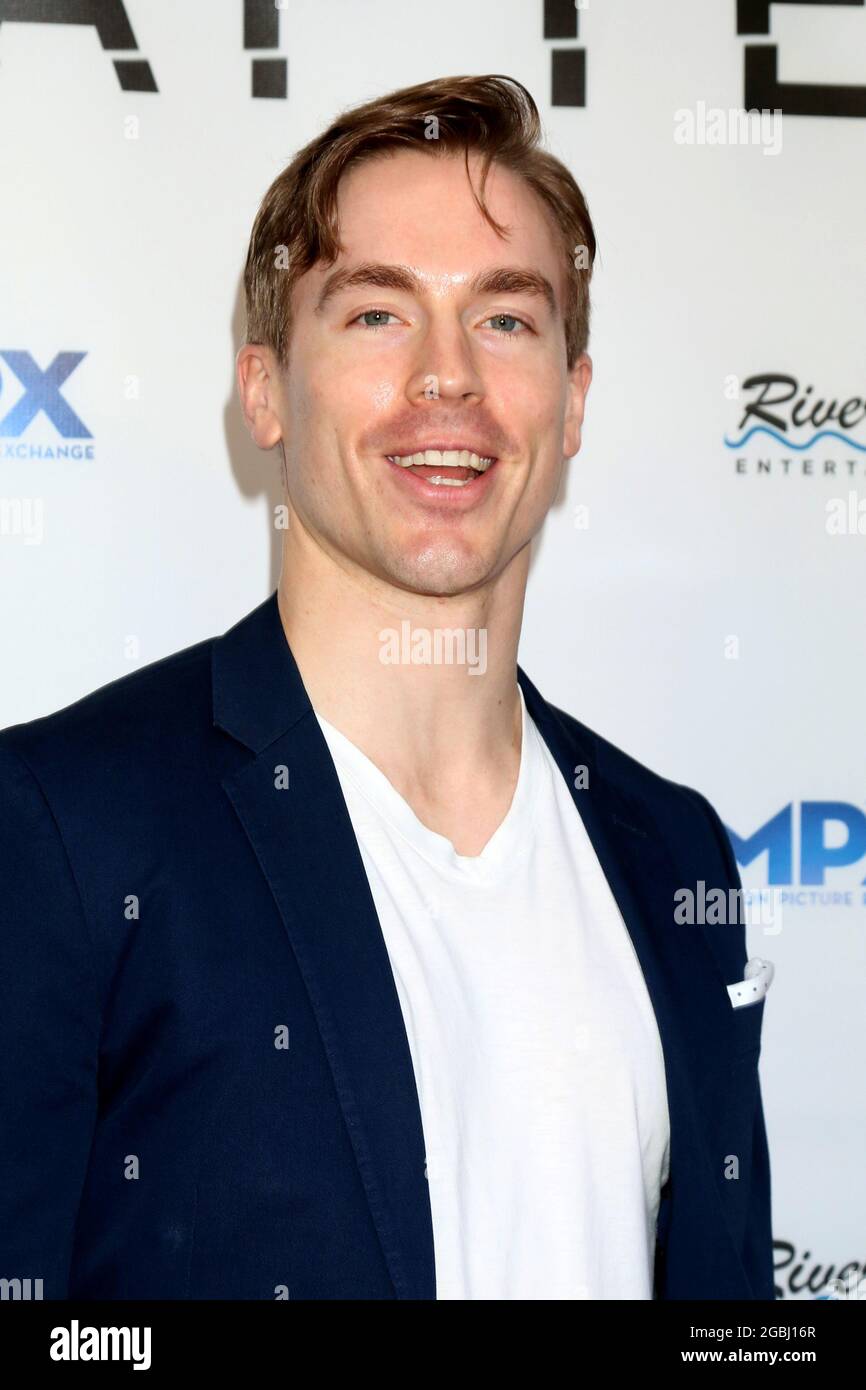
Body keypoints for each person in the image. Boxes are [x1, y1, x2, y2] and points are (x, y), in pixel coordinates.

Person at [0, 74, 773, 1300]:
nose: (445, 378)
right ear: (264, 389)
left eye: (505, 319)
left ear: (570, 403)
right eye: (375, 315)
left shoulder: (672, 850)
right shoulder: (64, 826)